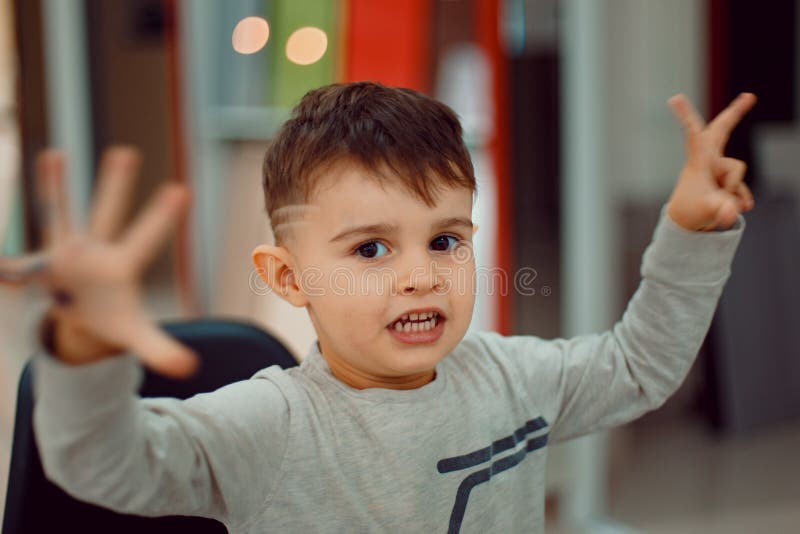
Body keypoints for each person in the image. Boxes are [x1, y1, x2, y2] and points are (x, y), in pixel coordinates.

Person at [1, 82, 755, 533]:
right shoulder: (268, 427)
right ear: (289, 279)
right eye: (371, 250)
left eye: (446, 240)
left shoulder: (512, 376)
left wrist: (690, 233)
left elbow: (640, 367)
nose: (421, 277)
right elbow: (102, 465)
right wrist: (86, 345)